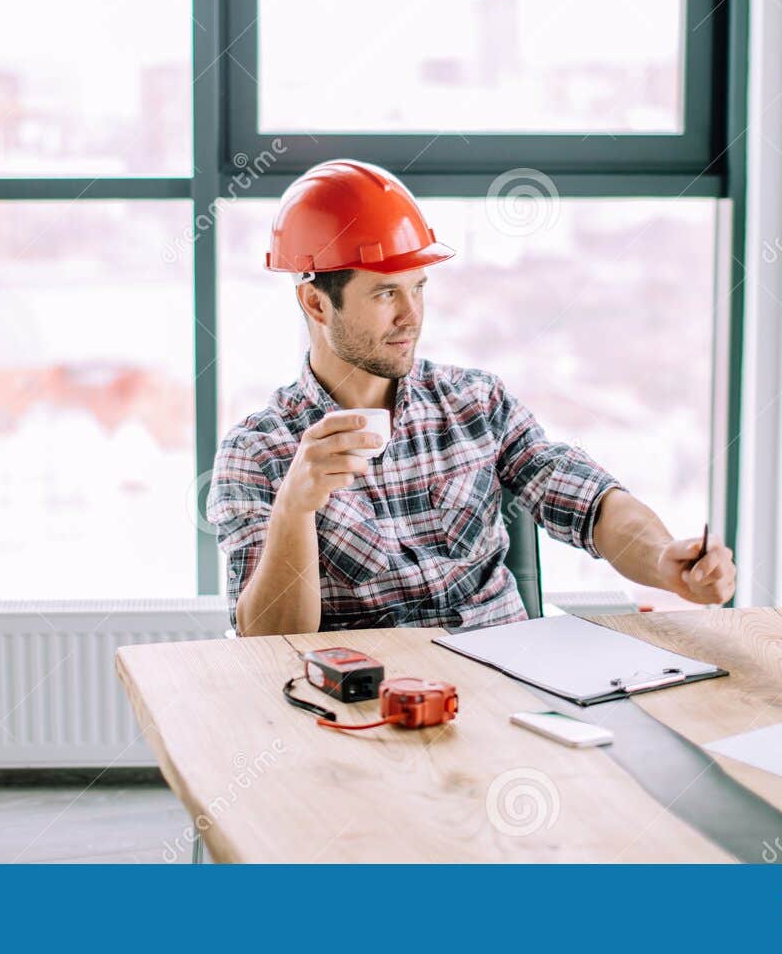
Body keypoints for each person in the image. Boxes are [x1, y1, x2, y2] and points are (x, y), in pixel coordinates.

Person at [207, 159, 736, 635]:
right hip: (372, 711)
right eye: (386, 292)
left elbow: (589, 503)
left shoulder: (475, 403)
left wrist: (665, 558)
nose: (412, 316)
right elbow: (269, 644)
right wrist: (294, 509)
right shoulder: (259, 453)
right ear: (316, 304)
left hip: (511, 690)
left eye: (418, 287)